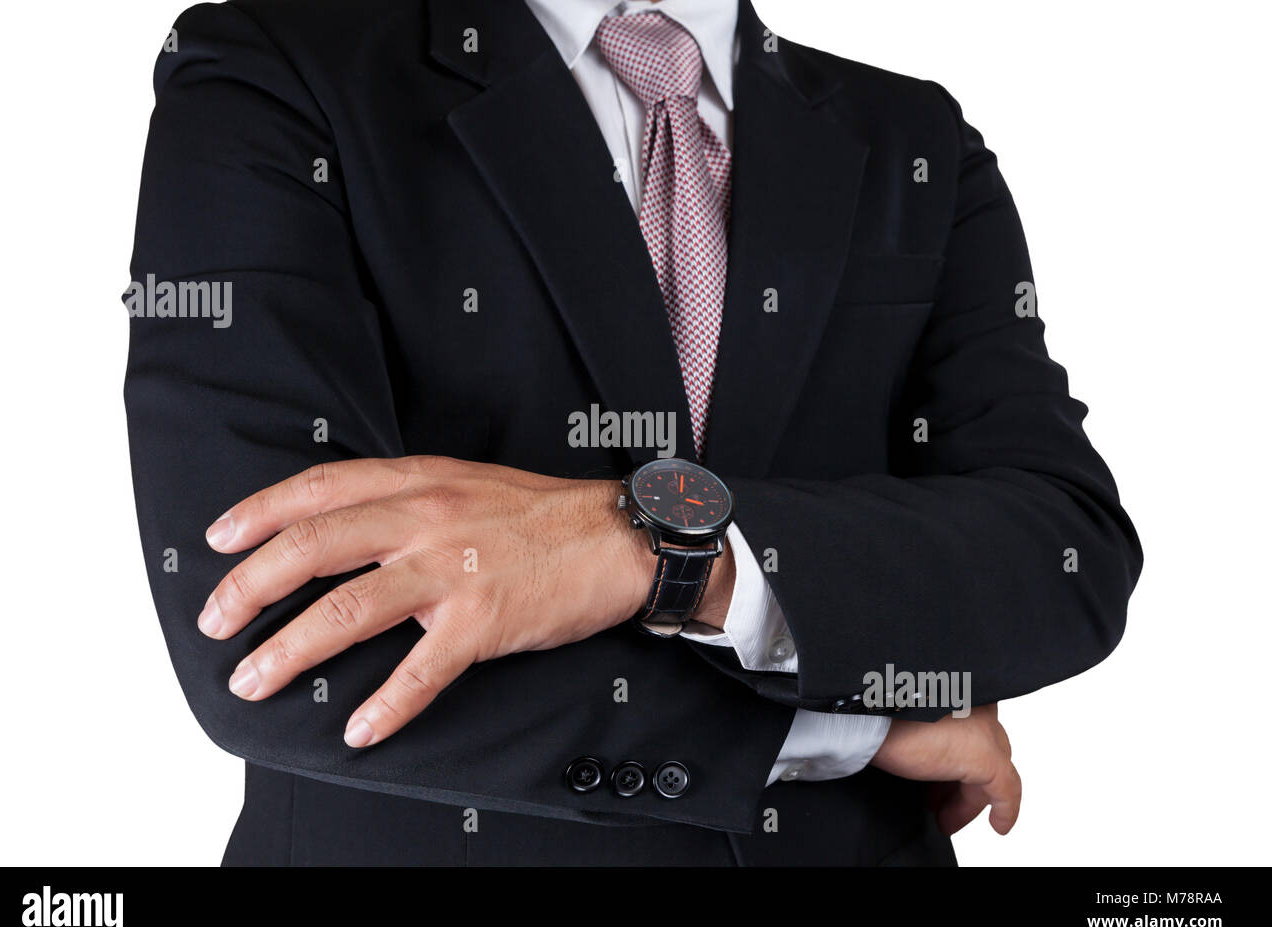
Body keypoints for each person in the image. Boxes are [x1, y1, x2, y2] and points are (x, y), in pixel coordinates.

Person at [124, 0, 1142, 866]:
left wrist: (648, 545)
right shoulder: (274, 69)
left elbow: (1060, 548)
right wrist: (845, 724)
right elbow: (269, 642)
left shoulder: (915, 141)